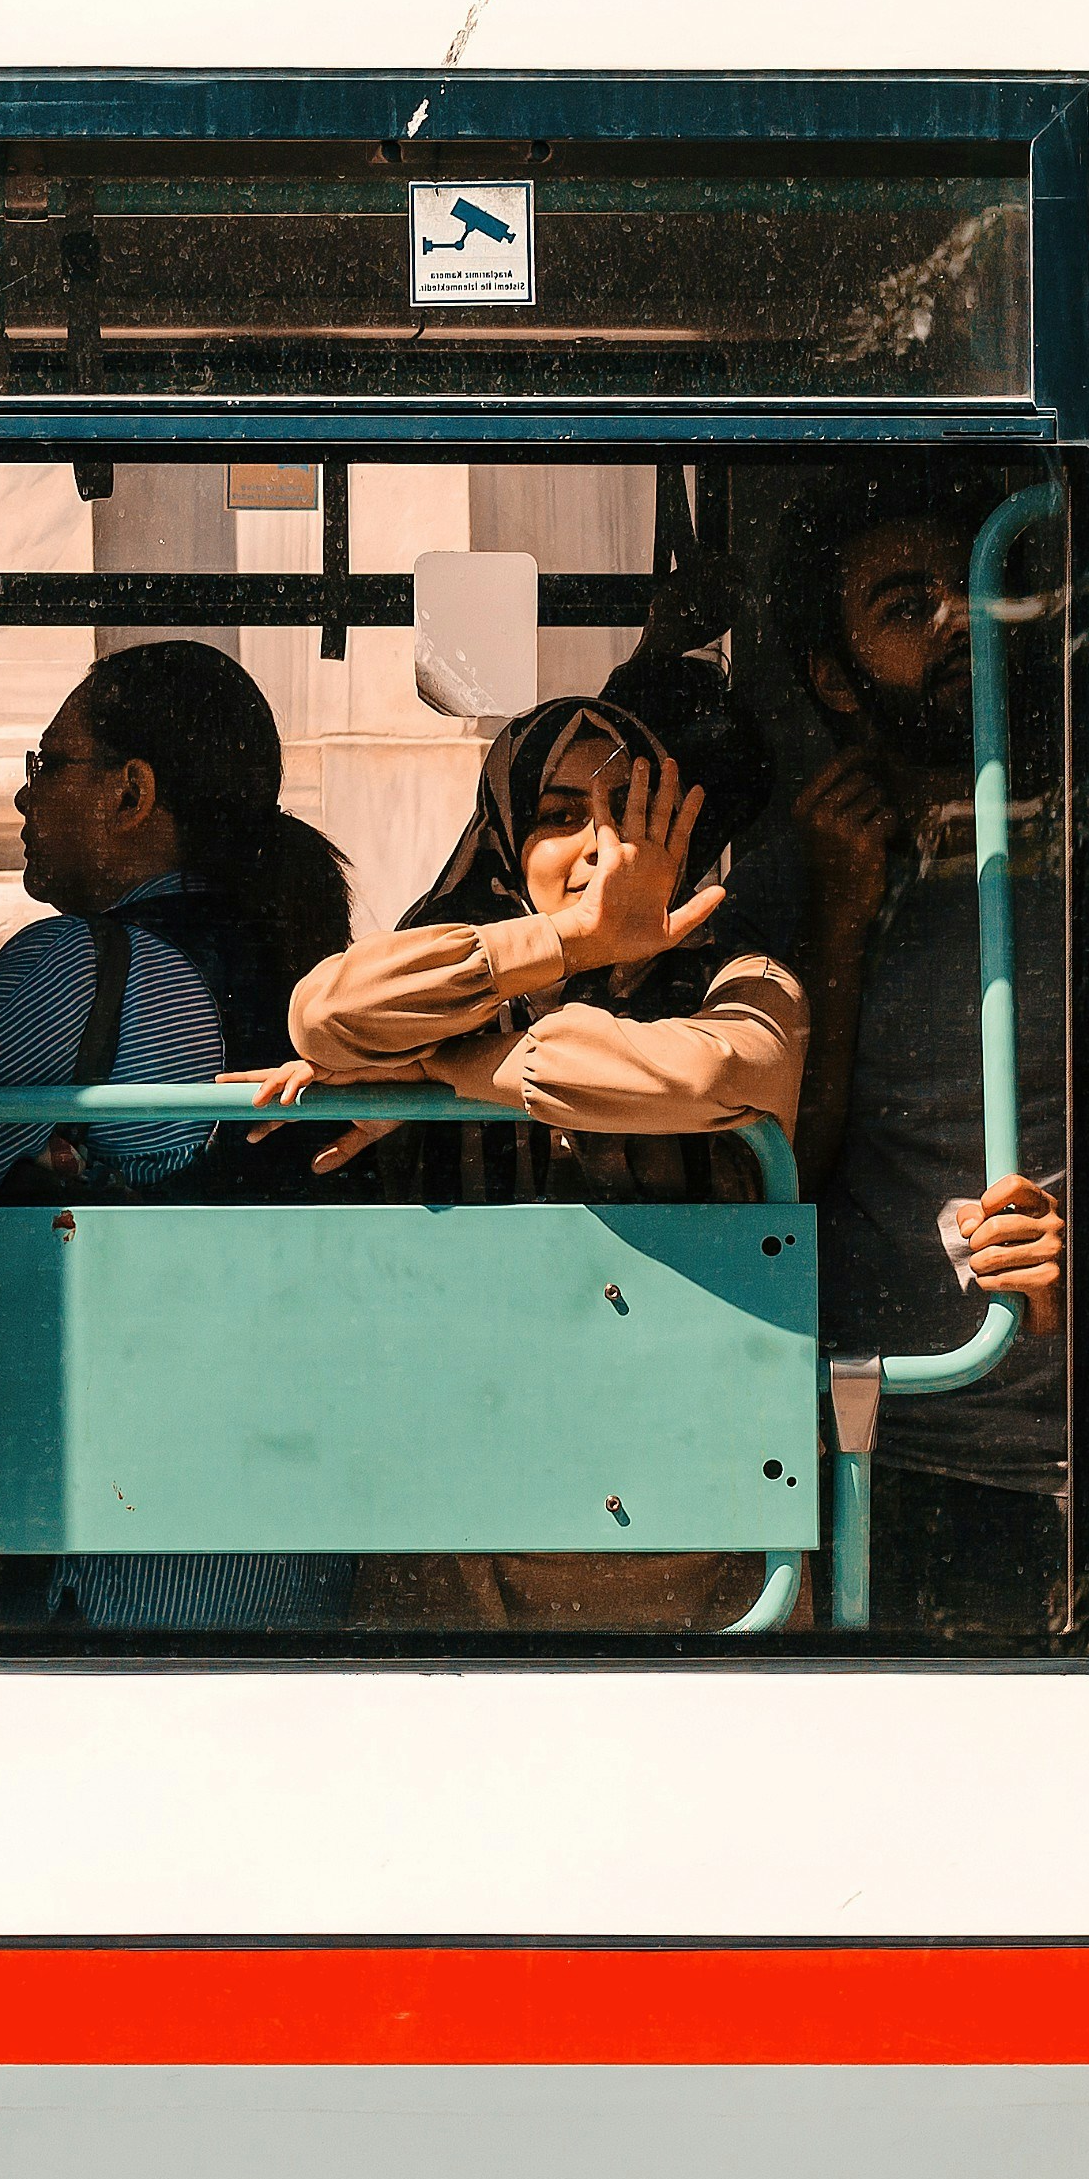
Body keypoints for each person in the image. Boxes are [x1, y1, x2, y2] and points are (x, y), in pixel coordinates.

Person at [260, 691, 809, 1629]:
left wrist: (442, 1068)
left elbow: (714, 1068)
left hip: (687, 1534)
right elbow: (324, 1016)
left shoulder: (738, 976)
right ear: (506, 838)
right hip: (453, 1521)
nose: (601, 846)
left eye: (631, 810)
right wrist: (572, 943)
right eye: (559, 817)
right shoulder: (463, 969)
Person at [774, 472, 1075, 1637]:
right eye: (903, 606)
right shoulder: (799, 871)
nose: (954, 620)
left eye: (972, 588)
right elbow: (781, 1167)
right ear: (828, 675)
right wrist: (836, 917)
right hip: (879, 1446)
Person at [0, 638, 351, 1205]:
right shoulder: (283, 949)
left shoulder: (75, 962)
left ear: (131, 794)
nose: (23, 796)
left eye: (46, 765)